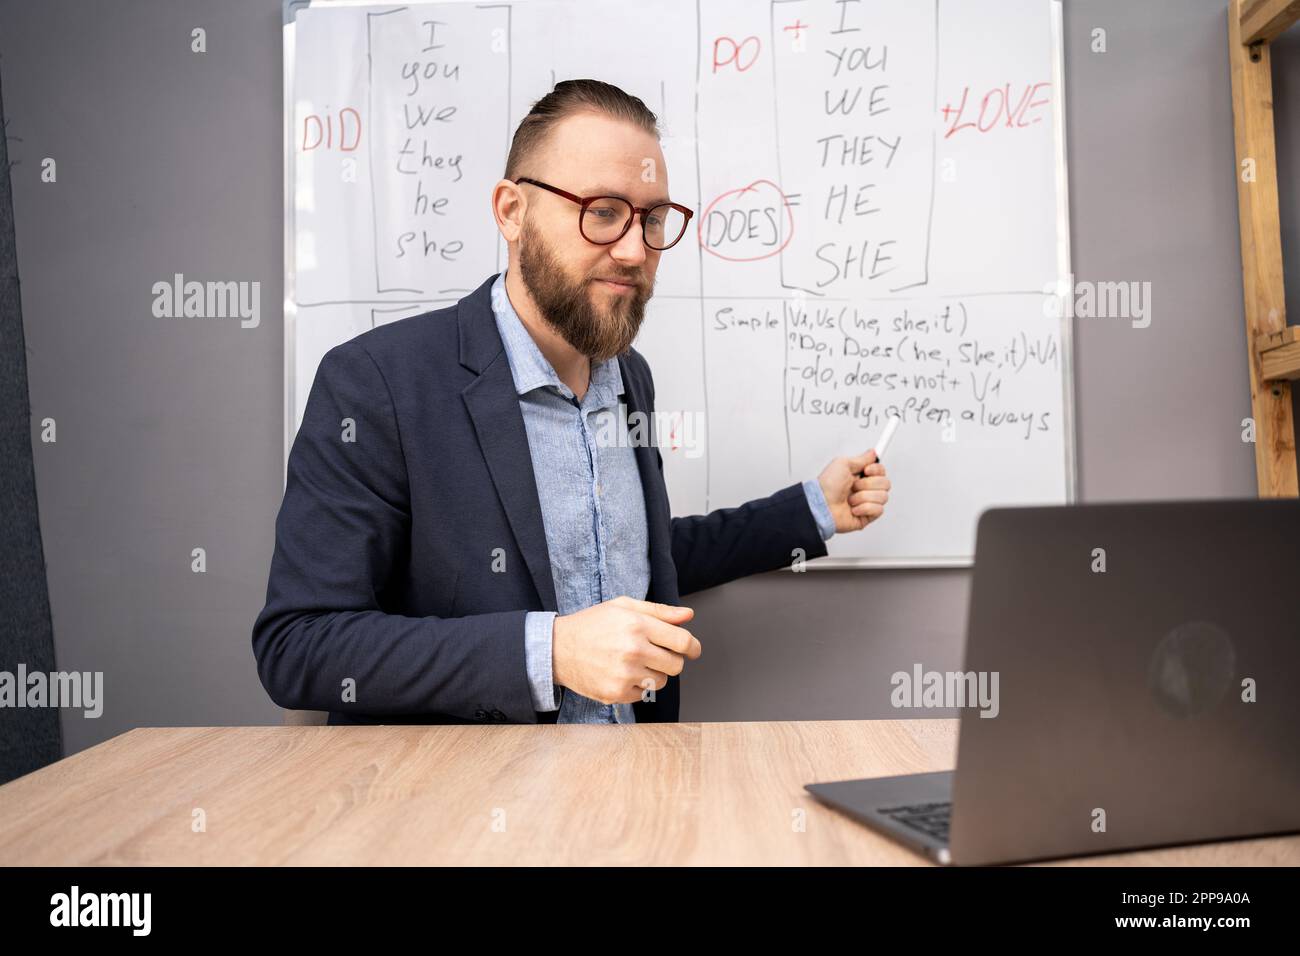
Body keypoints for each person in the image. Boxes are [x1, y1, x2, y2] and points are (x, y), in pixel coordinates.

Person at [252, 79, 890, 725]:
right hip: (463, 805)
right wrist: (549, 651)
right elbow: (301, 646)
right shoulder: (377, 381)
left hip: (633, 779)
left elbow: (627, 554)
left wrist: (814, 511)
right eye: (603, 211)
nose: (635, 250)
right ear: (511, 211)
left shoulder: (627, 376)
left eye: (653, 218)